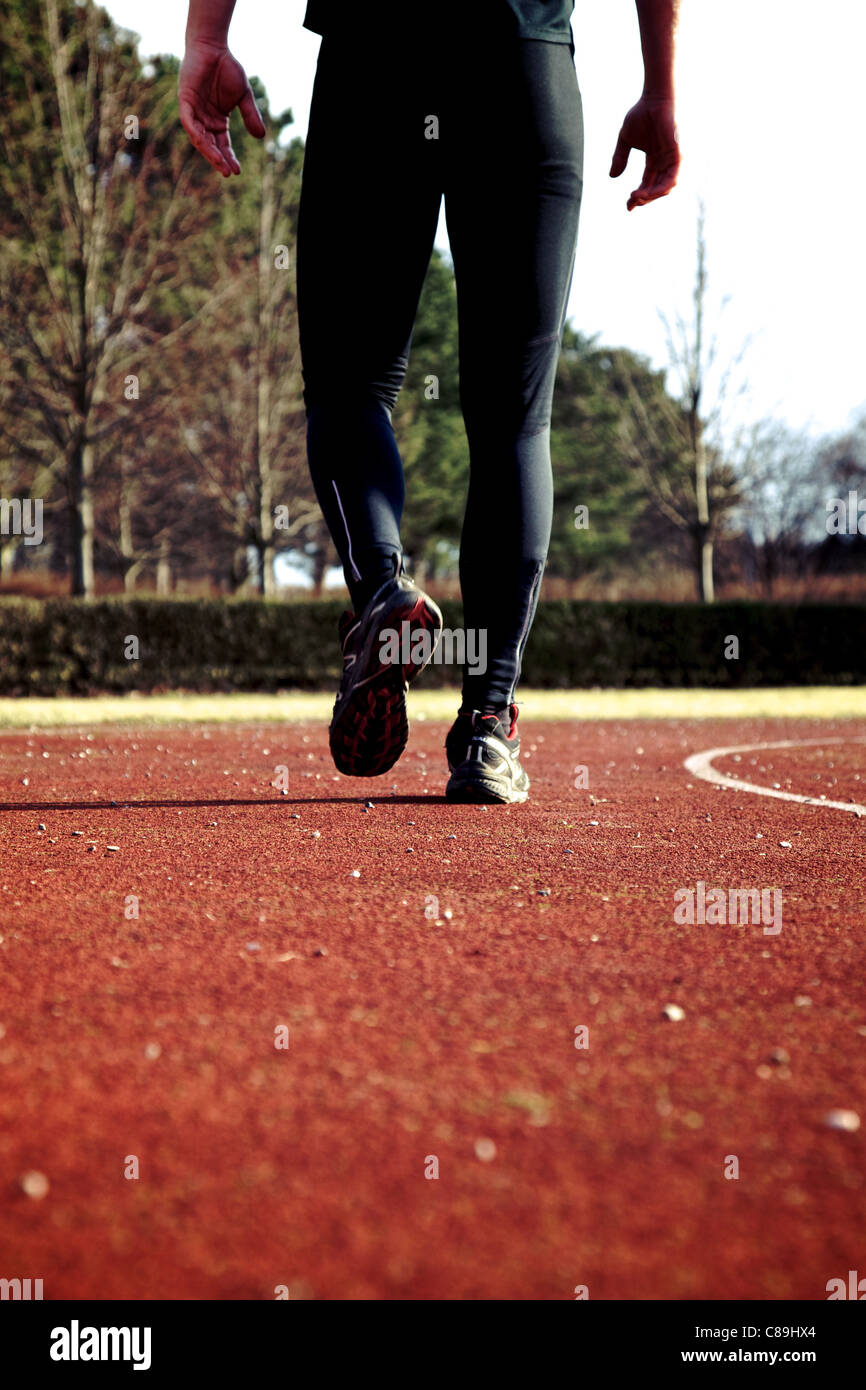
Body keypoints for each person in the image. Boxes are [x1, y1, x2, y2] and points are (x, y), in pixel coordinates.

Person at [179, 0, 681, 803]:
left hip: (376, 56)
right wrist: (660, 85)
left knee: (350, 384)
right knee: (516, 419)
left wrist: (209, 37)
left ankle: (384, 591)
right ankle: (487, 722)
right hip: (525, 61)